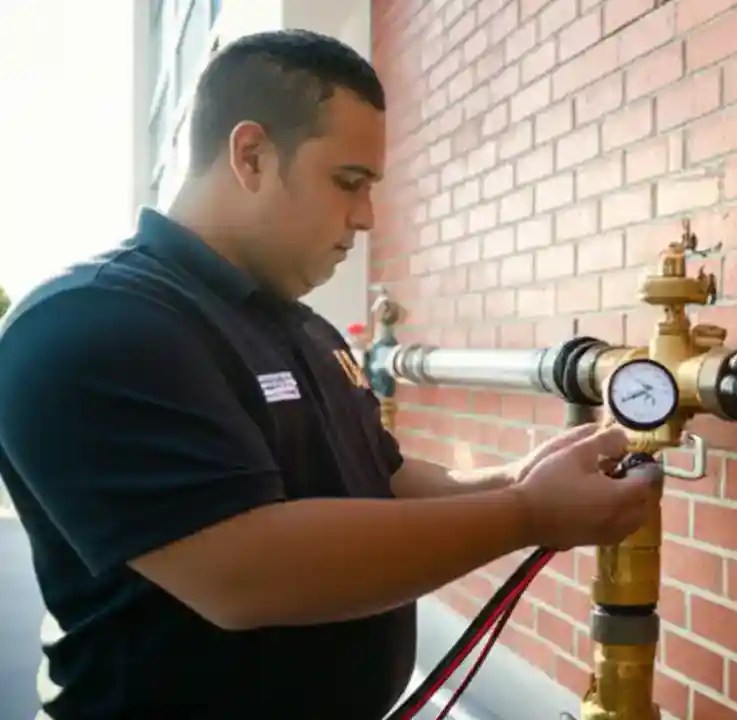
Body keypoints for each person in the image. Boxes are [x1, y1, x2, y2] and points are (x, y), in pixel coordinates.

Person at [0, 29, 659, 720]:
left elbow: (387, 482)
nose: (367, 218)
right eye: (349, 183)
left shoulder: (298, 325)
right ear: (251, 154)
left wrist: (519, 477)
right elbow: (242, 572)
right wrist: (527, 512)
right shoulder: (93, 323)